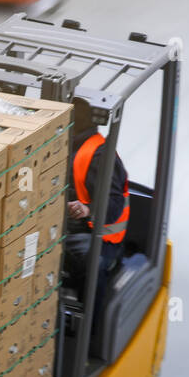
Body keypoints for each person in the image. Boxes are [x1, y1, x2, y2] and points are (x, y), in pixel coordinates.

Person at [63, 119, 131, 323]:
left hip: (100, 235)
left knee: (89, 262)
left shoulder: (98, 155)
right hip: (70, 226)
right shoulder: (63, 146)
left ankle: (89, 328)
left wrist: (87, 210)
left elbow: (114, 204)